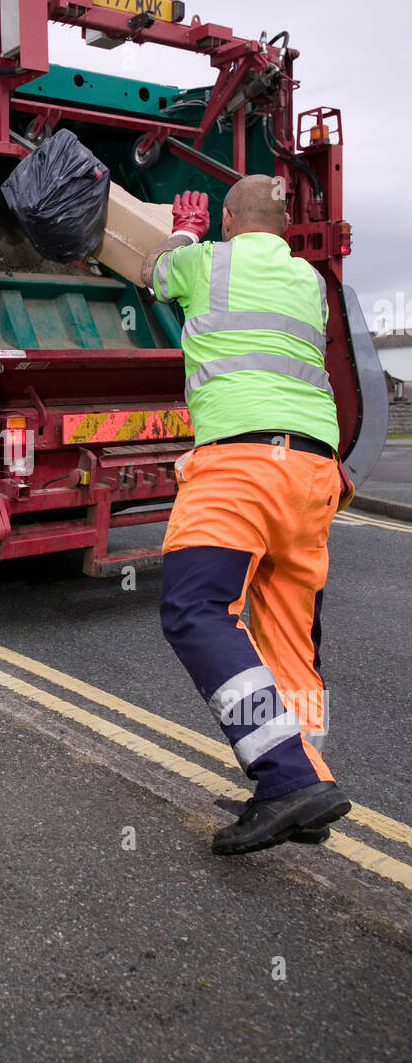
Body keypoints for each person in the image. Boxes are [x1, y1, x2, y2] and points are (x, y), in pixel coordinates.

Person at [141, 176, 352, 855]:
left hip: (239, 465)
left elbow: (154, 273)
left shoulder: (208, 260)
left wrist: (182, 229)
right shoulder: (311, 283)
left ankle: (285, 777)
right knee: (291, 638)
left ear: (228, 220)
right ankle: (307, 786)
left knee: (196, 609)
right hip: (313, 471)